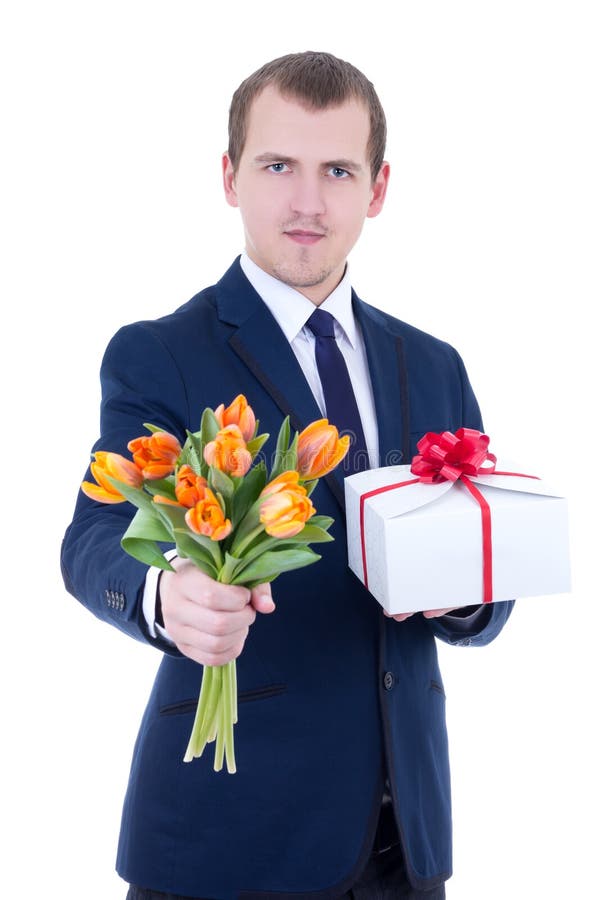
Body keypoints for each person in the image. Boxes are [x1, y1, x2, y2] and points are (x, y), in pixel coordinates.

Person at [61, 51, 513, 900]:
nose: (308, 202)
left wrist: (464, 594)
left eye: (337, 170)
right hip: (229, 836)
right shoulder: (161, 352)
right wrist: (166, 596)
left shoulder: (434, 365)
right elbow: (94, 535)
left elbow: (485, 580)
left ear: (377, 189)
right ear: (229, 177)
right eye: (278, 167)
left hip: (406, 844)